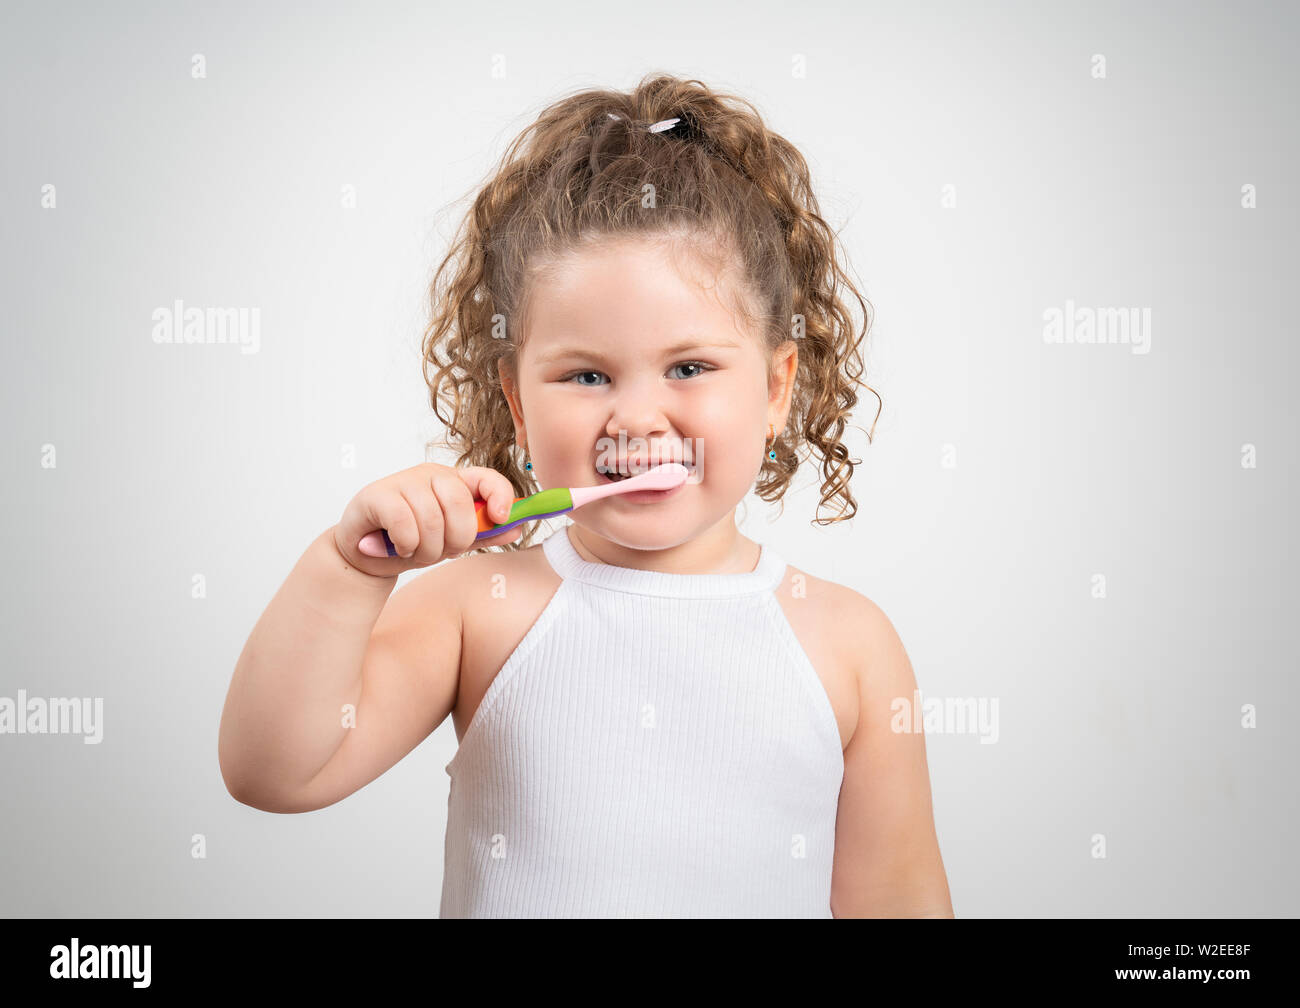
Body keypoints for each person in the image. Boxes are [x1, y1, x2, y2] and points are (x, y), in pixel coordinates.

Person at [219, 72, 953, 919]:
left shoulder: (851, 644)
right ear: (519, 403)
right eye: (586, 374)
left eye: (689, 367)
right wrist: (348, 571)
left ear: (778, 386)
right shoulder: (478, 608)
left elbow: (900, 901)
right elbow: (273, 772)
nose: (637, 412)